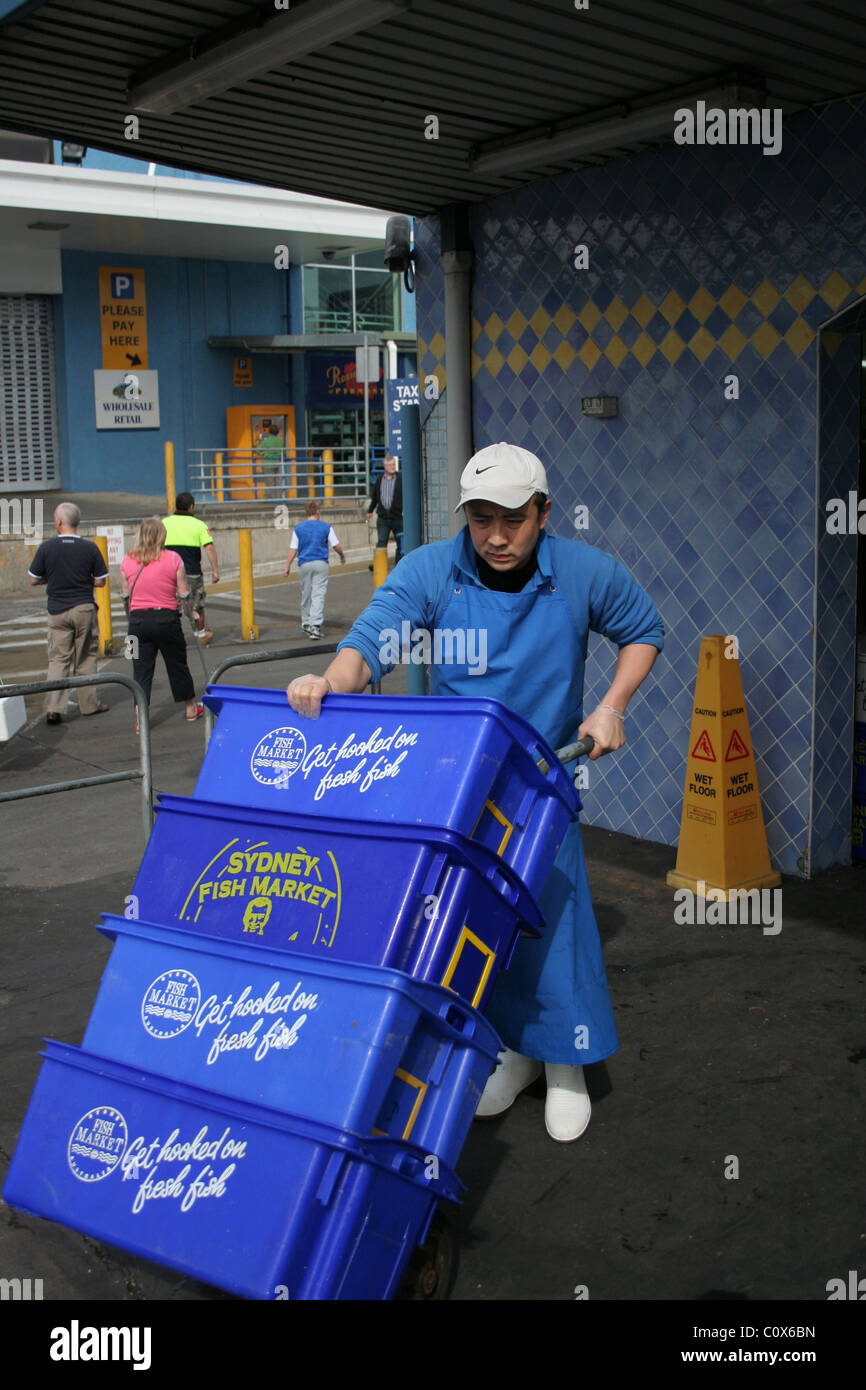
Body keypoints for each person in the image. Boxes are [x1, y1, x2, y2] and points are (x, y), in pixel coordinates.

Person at [287, 442, 663, 1143]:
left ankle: (567, 1065)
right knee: (470, 927)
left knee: (553, 913)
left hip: (543, 780)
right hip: (456, 784)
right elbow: (373, 641)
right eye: (481, 518)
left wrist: (613, 703)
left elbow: (643, 630)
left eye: (513, 520)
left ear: (544, 514)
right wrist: (327, 684)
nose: (495, 535)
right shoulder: (433, 568)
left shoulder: (583, 571)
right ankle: (512, 1053)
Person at [27, 502, 110, 725]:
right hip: (84, 607)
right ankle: (89, 705)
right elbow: (101, 581)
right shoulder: (90, 548)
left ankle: (54, 709)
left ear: (59, 522)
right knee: (86, 658)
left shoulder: (47, 548)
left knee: (58, 660)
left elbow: (33, 579)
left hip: (57, 610)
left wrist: (51, 579)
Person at [120, 517, 203, 726]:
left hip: (137, 622)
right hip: (166, 619)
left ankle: (140, 717)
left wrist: (131, 619)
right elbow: (184, 593)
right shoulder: (173, 558)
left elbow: (125, 596)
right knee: (177, 664)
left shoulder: (127, 560)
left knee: (140, 669)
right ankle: (190, 707)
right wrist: (191, 614)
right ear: (162, 535)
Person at [162, 492, 220, 646]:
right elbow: (209, 548)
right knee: (197, 603)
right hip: (192, 572)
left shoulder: (164, 523)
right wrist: (215, 570)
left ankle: (172, 636)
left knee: (171, 605)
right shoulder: (199, 525)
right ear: (191, 507)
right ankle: (200, 634)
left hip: (169, 573)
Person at [284, 499, 346, 639]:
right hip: (320, 563)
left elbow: (293, 549)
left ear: (306, 513)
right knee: (318, 594)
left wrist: (287, 565)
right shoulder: (326, 527)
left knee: (306, 593)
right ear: (318, 511)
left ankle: (306, 622)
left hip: (304, 563)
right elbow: (335, 544)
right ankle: (315, 625)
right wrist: (342, 555)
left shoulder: (298, 529)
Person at [366, 453, 403, 562]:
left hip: (397, 517)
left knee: (401, 543)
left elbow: (406, 495)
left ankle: (398, 565)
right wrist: (370, 510)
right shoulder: (380, 479)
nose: (392, 467)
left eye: (394, 465)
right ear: (385, 467)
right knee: (381, 542)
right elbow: (375, 497)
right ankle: (379, 565)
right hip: (383, 517)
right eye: (390, 465)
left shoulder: (400, 479)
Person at [256, 422, 285, 497]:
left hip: (268, 464)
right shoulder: (281, 441)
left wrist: (263, 453)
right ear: (277, 432)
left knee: (270, 483)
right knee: (278, 482)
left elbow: (257, 450)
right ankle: (278, 498)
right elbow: (283, 452)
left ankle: (272, 500)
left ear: (269, 431)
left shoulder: (266, 441)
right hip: (278, 463)